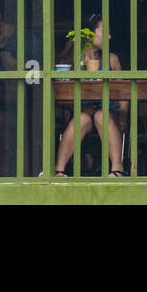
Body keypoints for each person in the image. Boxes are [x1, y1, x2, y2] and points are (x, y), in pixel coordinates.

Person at [54, 15, 126, 177]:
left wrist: (124, 118)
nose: (109, 36)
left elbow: (123, 91)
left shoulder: (111, 60)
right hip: (82, 111)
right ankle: (59, 170)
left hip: (108, 112)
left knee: (101, 116)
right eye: (104, 31)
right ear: (89, 35)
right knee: (82, 118)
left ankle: (117, 168)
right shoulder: (73, 61)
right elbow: (63, 96)